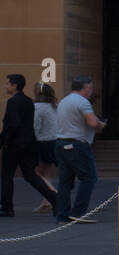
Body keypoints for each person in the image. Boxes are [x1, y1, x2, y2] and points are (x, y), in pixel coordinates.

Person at [1, 74, 59, 218]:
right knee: (31, 175)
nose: (6, 86)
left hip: (14, 145)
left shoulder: (13, 102)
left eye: (8, 84)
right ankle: (54, 199)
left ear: (14, 86)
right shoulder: (28, 101)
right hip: (29, 144)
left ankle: (7, 207)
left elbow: (12, 125)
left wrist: (3, 141)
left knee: (7, 176)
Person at [53, 76, 107, 224]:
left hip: (61, 143)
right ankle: (78, 212)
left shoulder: (64, 101)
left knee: (65, 182)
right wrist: (100, 124)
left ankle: (62, 215)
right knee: (89, 178)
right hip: (77, 144)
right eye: (91, 88)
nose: (91, 91)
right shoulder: (83, 102)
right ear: (86, 87)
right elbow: (91, 122)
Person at [31, 82, 59, 211]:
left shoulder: (37, 107)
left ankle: (53, 192)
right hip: (54, 142)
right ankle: (46, 201)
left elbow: (35, 126)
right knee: (47, 172)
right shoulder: (54, 106)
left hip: (41, 142)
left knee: (34, 172)